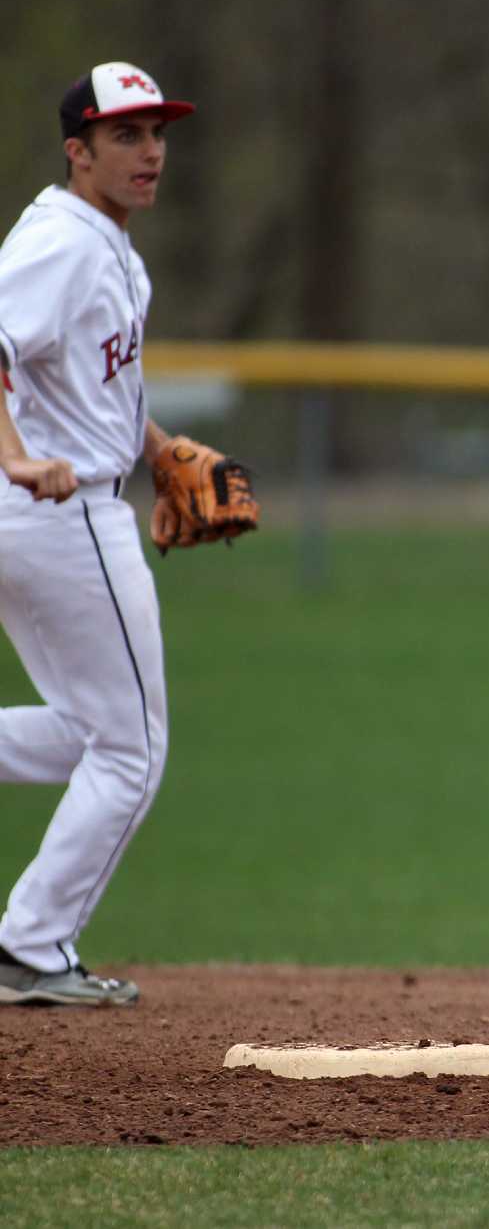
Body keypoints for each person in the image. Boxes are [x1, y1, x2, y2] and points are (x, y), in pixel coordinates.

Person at [0, 62, 207, 1007]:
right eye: (126, 135)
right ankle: (32, 946)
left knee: (91, 733)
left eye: (156, 132)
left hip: (55, 510)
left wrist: (159, 451)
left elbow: (89, 384)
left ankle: (31, 944)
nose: (150, 150)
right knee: (133, 751)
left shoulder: (104, 243)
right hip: (63, 515)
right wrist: (13, 455)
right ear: (77, 151)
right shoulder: (64, 244)